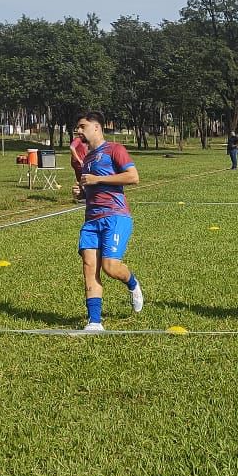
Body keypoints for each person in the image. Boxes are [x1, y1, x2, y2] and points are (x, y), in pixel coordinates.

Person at [72, 112, 143, 330]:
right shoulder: (87, 159)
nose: (79, 131)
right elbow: (92, 188)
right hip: (91, 219)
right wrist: (81, 193)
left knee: (110, 267)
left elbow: (133, 177)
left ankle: (132, 283)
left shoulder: (114, 149)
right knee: (89, 266)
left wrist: (98, 179)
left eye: (82, 126)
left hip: (115, 216)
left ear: (96, 128)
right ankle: (95, 322)